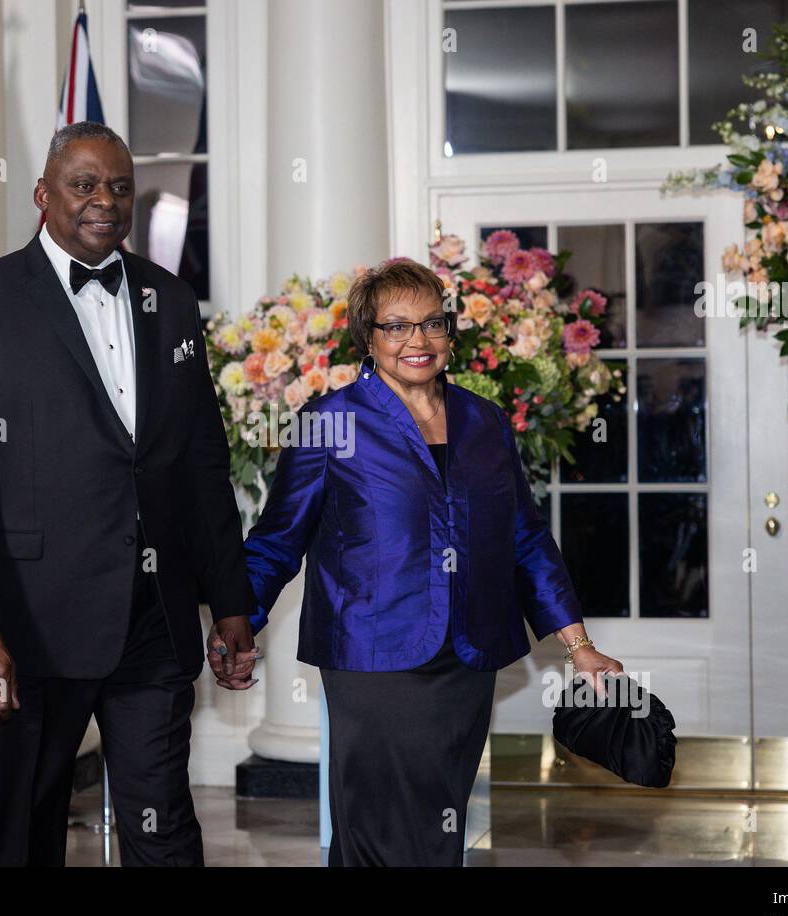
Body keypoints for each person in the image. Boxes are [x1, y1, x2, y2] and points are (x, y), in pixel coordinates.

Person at [0, 121, 258, 867]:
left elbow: (203, 463)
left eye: (119, 187)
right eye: (83, 185)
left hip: (153, 622)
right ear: (43, 195)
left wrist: (232, 604)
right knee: (26, 833)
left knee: (162, 823)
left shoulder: (170, 301)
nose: (104, 201)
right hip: (29, 624)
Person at [219, 258, 623, 866]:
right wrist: (237, 623)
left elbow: (526, 539)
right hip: (373, 655)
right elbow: (278, 539)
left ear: (450, 334)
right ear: (368, 337)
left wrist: (578, 645)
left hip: (466, 660)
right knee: (375, 828)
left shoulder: (485, 423)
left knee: (440, 827)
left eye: (432, 323)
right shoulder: (329, 423)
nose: (417, 341)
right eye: (397, 326)